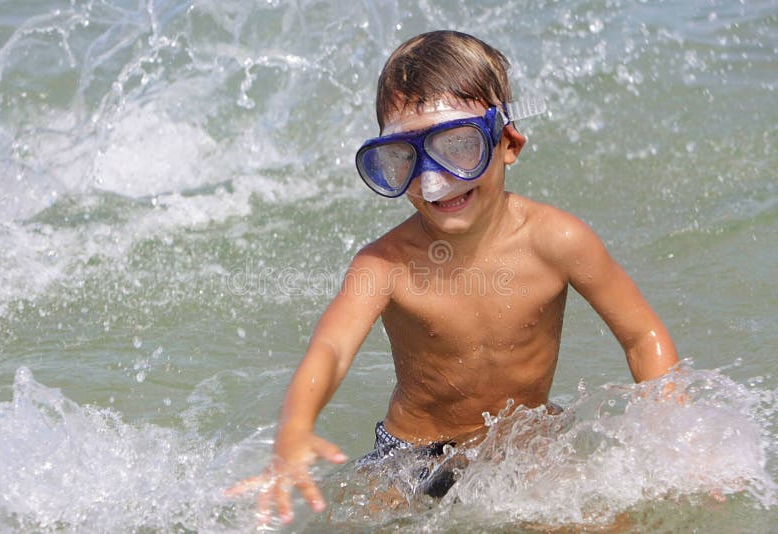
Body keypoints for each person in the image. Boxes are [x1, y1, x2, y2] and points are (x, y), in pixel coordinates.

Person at [225, 30, 678, 524]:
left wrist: (675, 428)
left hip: (527, 448)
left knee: (613, 521)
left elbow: (642, 336)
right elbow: (329, 350)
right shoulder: (384, 265)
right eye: (404, 158)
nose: (434, 177)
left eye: (459, 147)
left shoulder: (558, 241)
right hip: (411, 460)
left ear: (507, 143)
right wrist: (294, 428)